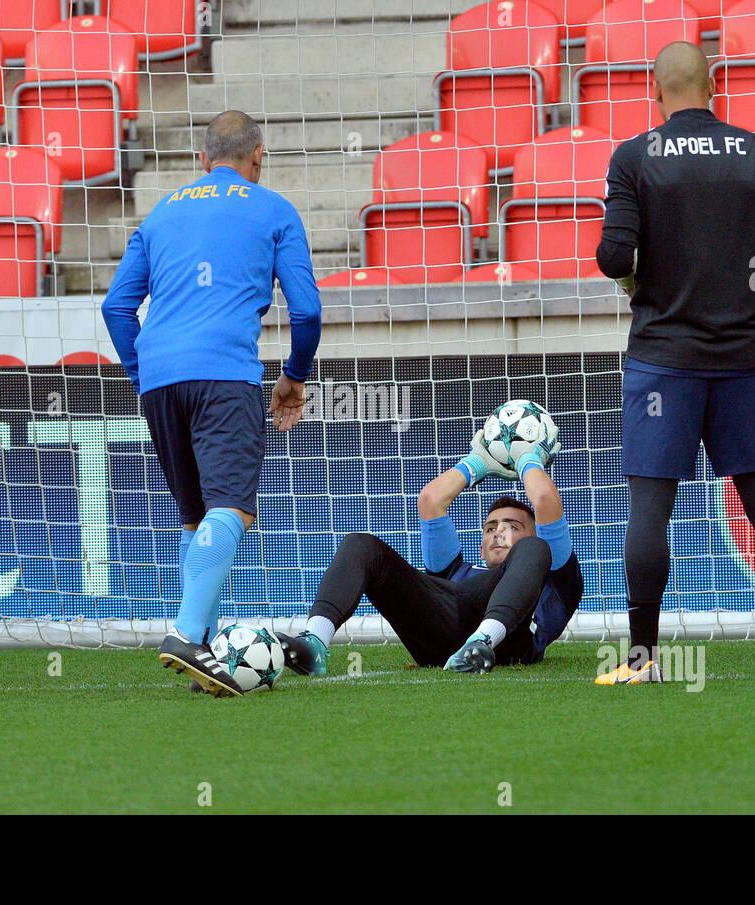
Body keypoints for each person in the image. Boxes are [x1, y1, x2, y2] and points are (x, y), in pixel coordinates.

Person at [594, 41, 755, 684]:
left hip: (663, 361)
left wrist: (648, 275)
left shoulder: (635, 156)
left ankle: (642, 660)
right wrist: (740, 269)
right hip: (743, 357)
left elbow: (613, 258)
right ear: (714, 88)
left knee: (650, 510)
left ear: (654, 89)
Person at [102, 110, 322, 698]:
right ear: (258, 156)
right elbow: (307, 311)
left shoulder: (161, 213)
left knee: (197, 518)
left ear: (203, 159)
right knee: (233, 510)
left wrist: (142, 373)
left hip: (160, 379)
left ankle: (204, 647)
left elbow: (116, 308)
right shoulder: (273, 208)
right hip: (225, 374)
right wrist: (294, 377)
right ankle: (184, 634)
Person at [278, 428, 582, 675]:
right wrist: (476, 462)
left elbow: (544, 498)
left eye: (512, 527)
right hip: (439, 631)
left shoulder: (555, 578)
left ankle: (482, 642)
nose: (498, 533)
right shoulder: (455, 570)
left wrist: (528, 458)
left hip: (508, 645)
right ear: (481, 545)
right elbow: (430, 501)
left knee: (534, 549)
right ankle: (314, 642)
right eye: (490, 528)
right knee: (361, 544)